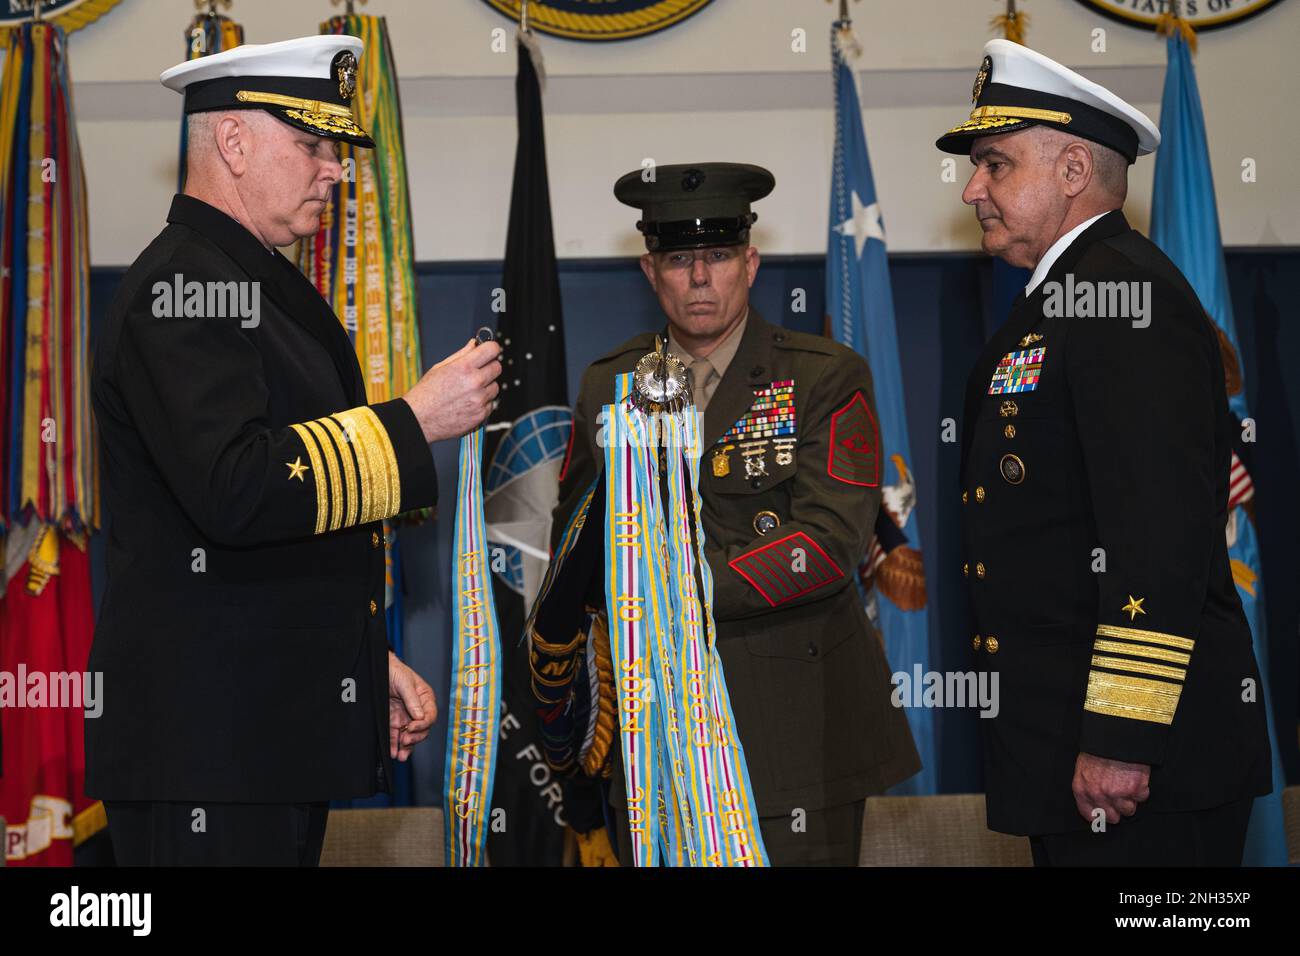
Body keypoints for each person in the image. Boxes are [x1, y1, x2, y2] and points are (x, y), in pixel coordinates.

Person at [87, 36, 502, 865]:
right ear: (232, 144)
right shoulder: (185, 286)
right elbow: (238, 489)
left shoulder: (255, 282)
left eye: (335, 150)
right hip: (206, 750)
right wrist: (411, 420)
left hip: (255, 733)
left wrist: (356, 656)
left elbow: (267, 531)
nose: (334, 171)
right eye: (311, 145)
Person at [937, 39, 1272, 866]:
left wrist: (1124, 734)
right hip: (1068, 746)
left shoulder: (1123, 297)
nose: (972, 188)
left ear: (1074, 171)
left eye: (994, 163)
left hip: (1140, 770)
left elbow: (1157, 541)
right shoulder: (1064, 296)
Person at [542, 162, 919, 866]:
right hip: (651, 733)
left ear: (750, 263)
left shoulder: (823, 375)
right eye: (679, 260)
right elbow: (576, 541)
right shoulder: (611, 384)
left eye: (716, 256)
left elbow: (828, 547)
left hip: (795, 726)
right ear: (651, 271)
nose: (699, 278)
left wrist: (668, 594)